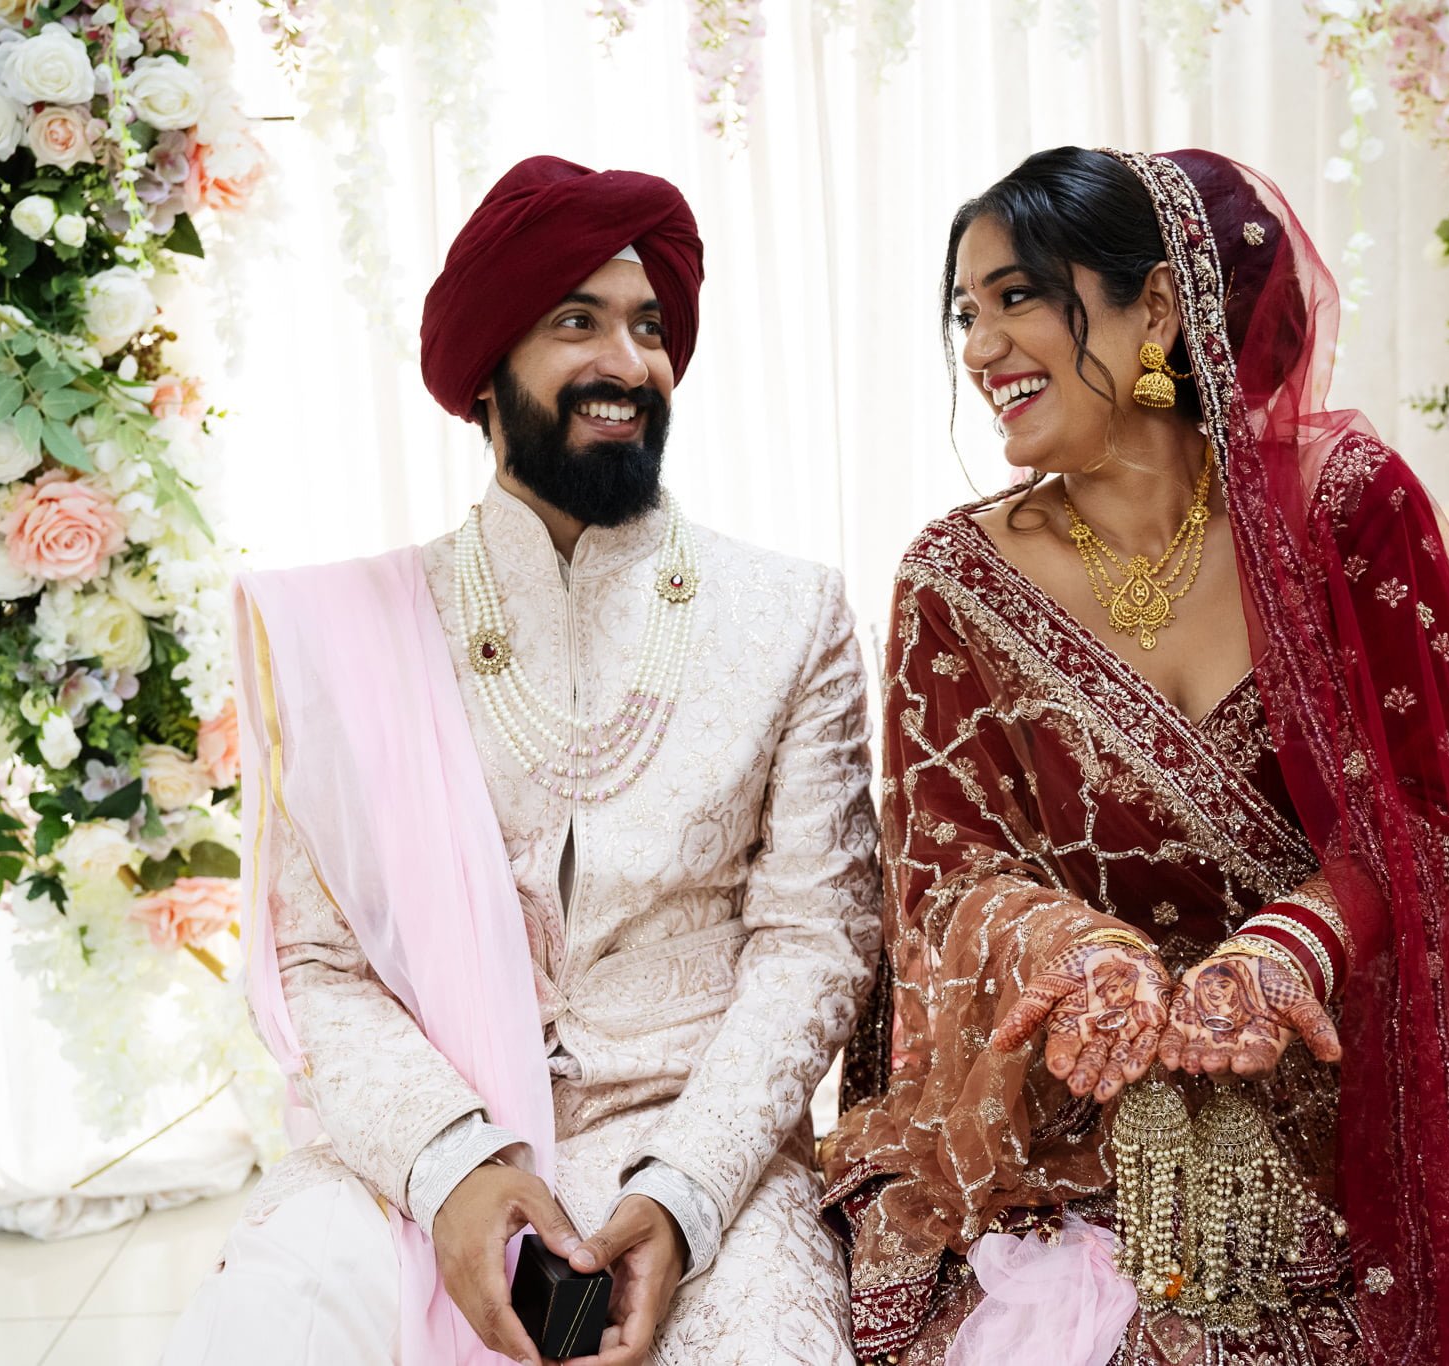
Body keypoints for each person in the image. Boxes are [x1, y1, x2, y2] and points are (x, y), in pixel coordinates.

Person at [822, 146, 1449, 1366]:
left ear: (1155, 307)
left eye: (1016, 296)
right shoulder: (955, 579)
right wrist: (1081, 953)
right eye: (964, 313)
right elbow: (945, 872)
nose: (981, 347)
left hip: (1350, 1086)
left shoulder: (1344, 511)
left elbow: (1435, 809)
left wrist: (1289, 947)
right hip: (1079, 1098)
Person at [166, 155, 879, 1366]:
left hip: (697, 1154)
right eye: (575, 321)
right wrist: (452, 1167)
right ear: (485, 371)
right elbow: (314, 959)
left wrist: (685, 1190)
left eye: (649, 327)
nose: (627, 362)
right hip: (416, 1154)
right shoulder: (352, 636)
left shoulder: (788, 615)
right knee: (277, 1328)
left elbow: (816, 938)